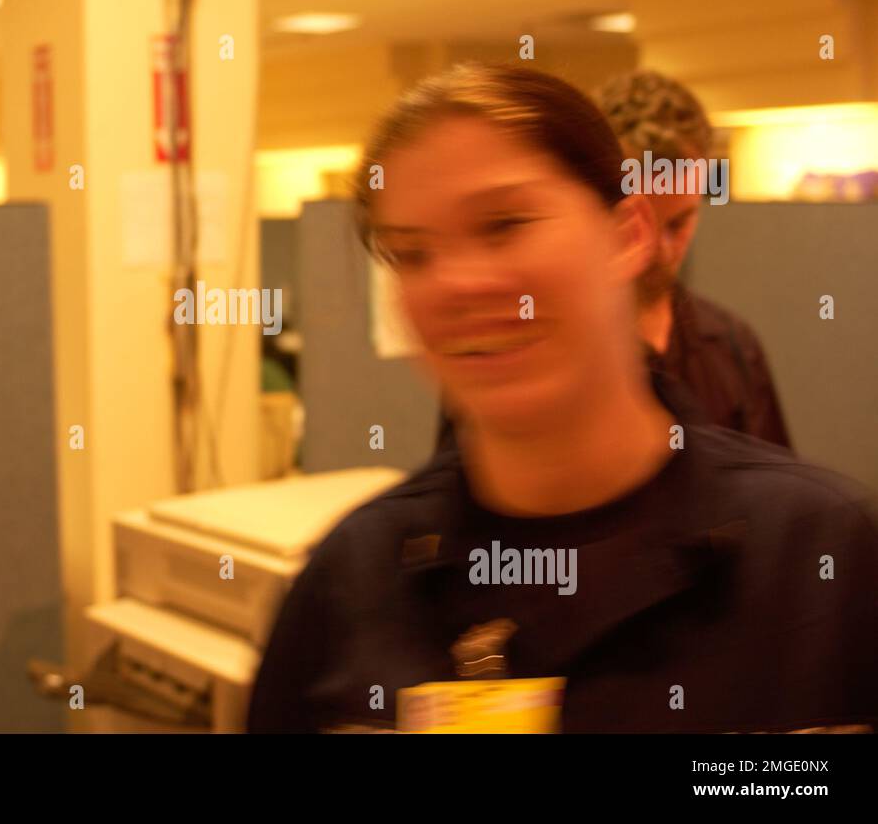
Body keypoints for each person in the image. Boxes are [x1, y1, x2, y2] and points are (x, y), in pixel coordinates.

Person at [246, 64, 877, 733]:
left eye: (505, 224)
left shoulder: (820, 562)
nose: (457, 282)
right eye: (412, 253)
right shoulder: (354, 589)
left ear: (628, 234)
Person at [598, 69, 792, 449]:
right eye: (641, 226)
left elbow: (776, 497)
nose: (664, 251)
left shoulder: (733, 347)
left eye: (680, 222)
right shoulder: (542, 349)